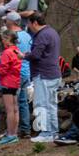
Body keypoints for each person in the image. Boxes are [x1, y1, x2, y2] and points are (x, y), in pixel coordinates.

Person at [25, 13, 61, 142]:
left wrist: (24, 56)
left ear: (35, 23)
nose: (28, 26)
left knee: (41, 104)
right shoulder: (53, 32)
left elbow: (36, 55)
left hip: (43, 74)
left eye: (29, 23)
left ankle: (45, 133)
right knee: (51, 104)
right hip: (54, 73)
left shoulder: (42, 35)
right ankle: (54, 132)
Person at [0, 31, 23, 146]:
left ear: (7, 39)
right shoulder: (16, 50)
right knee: (15, 109)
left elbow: (3, 70)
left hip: (7, 82)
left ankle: (10, 135)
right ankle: (14, 134)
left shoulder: (7, 52)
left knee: (9, 110)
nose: (3, 41)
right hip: (16, 81)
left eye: (4, 39)